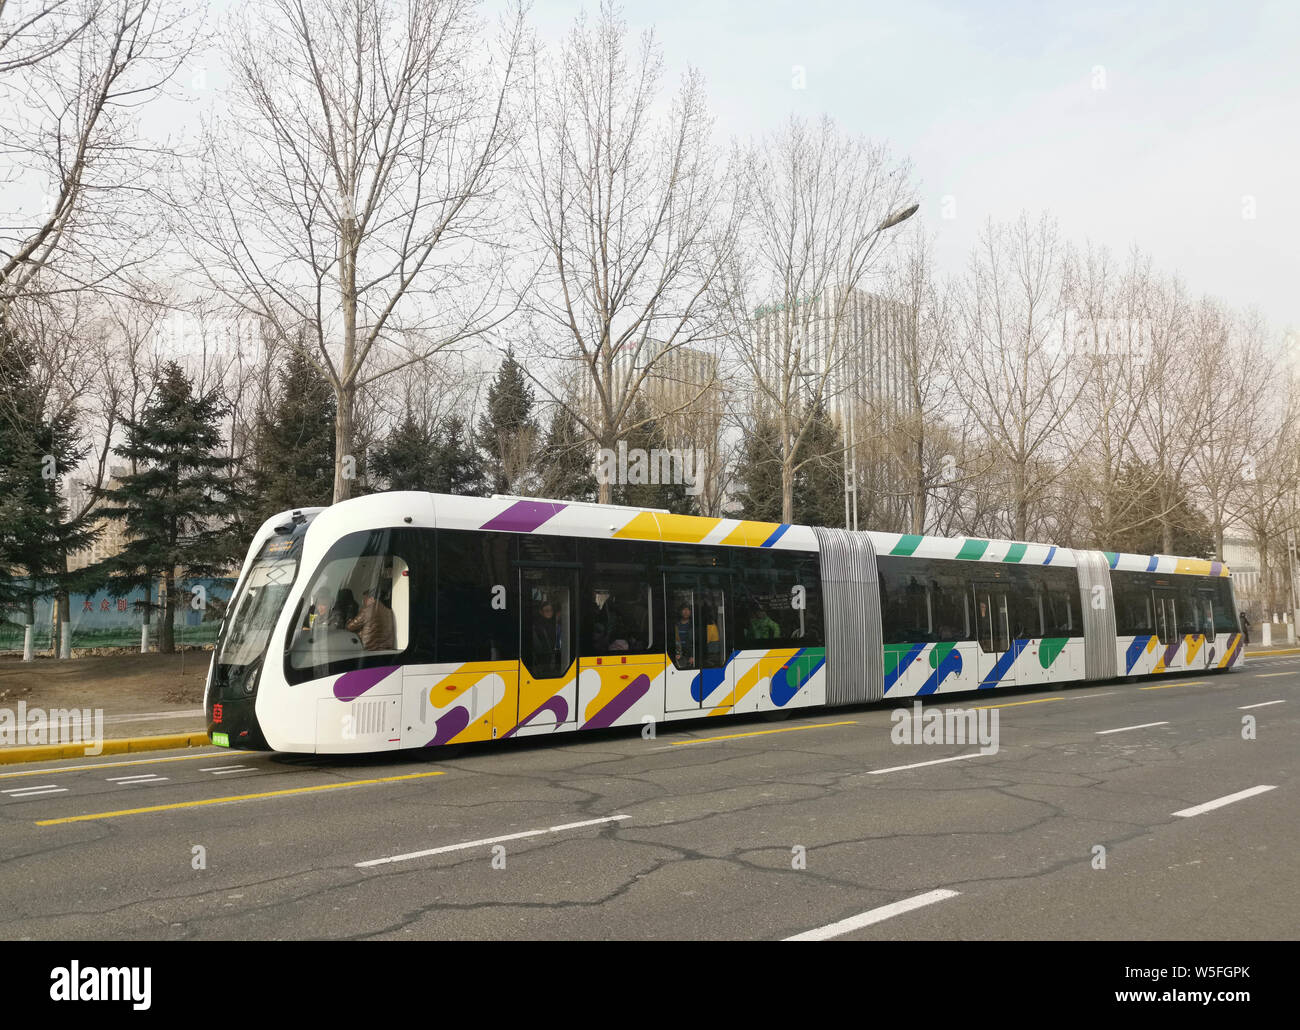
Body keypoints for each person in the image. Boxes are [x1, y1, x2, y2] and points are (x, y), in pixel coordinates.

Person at [531, 600, 563, 676]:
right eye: (546, 610)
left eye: (551, 610)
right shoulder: (538, 626)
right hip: (542, 657)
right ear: (541, 612)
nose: (549, 612)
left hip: (554, 656)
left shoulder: (556, 623)